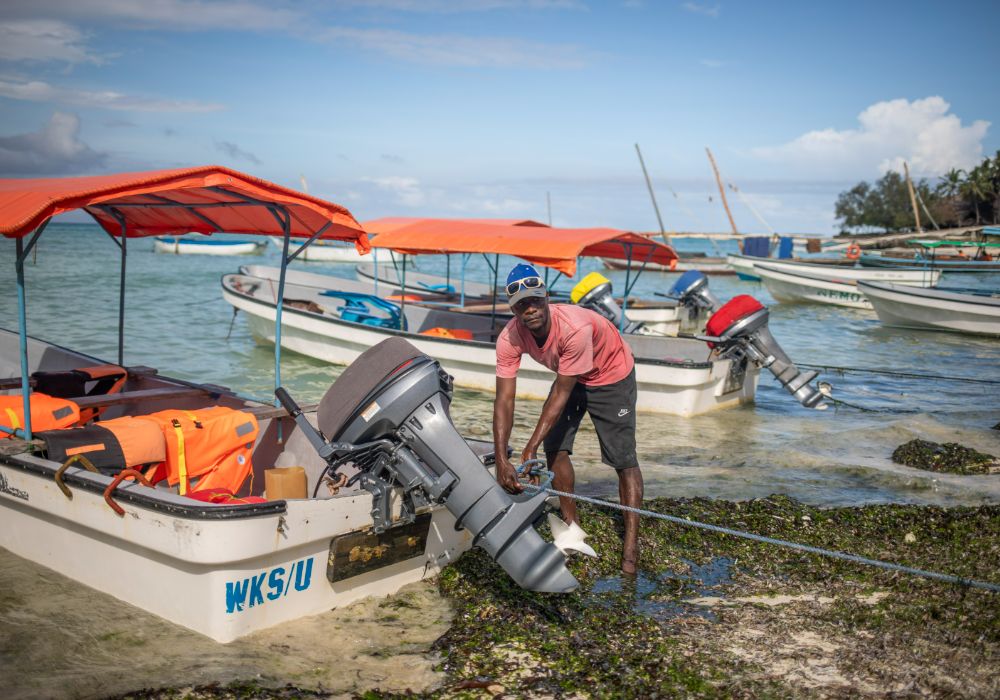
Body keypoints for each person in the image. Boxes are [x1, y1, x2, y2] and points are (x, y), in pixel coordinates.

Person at [492, 263, 644, 574]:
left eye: (535, 301)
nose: (530, 310)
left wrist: (527, 448)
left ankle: (631, 546)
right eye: (522, 305)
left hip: (611, 375)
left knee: (622, 459)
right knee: (555, 447)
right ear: (513, 309)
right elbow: (504, 399)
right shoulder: (509, 338)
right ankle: (571, 526)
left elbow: (560, 395)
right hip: (570, 375)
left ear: (546, 297)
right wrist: (501, 459)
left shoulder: (574, 328)